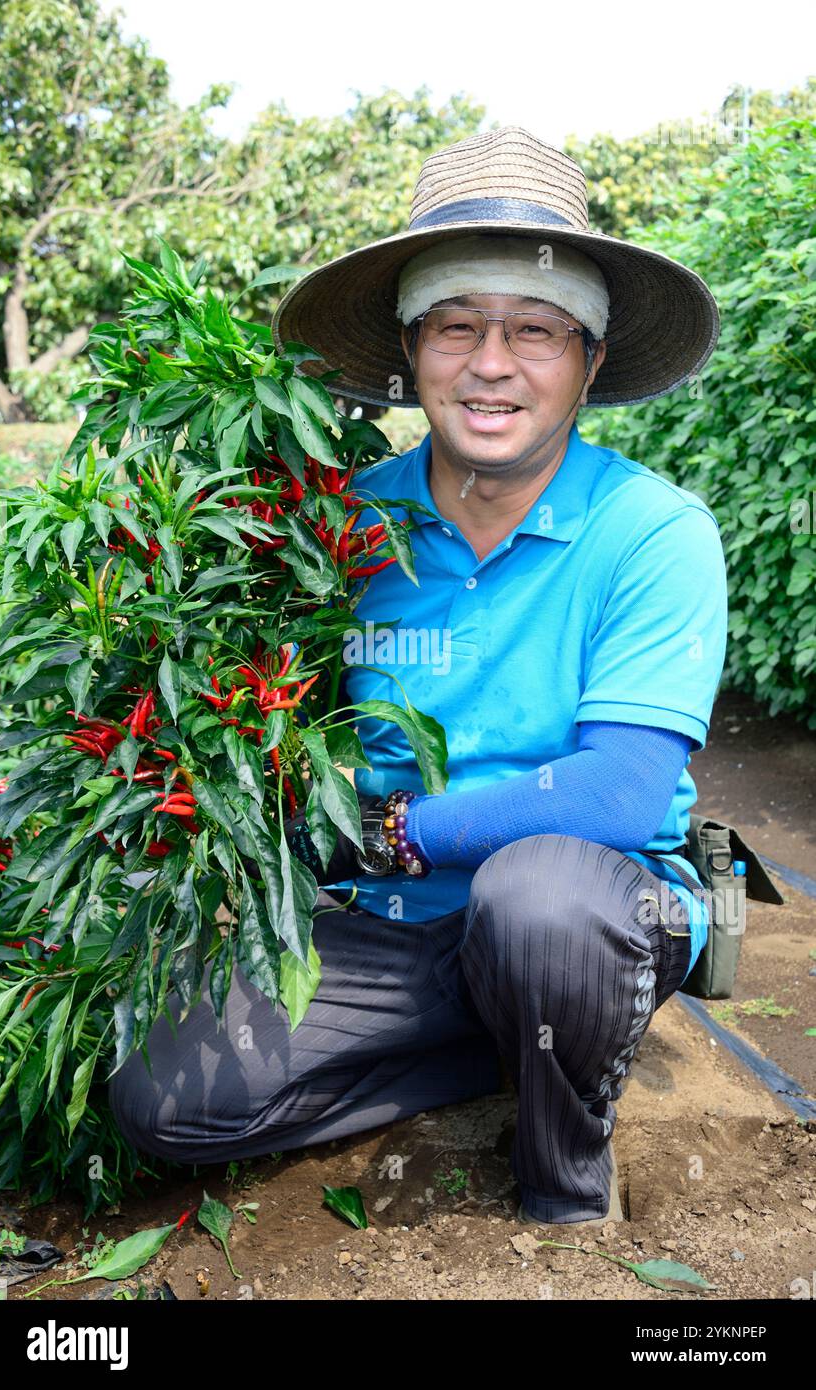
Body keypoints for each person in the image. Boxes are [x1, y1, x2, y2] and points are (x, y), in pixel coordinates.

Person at [108, 126, 727, 1229]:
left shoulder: (648, 532)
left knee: (537, 905)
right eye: (456, 327)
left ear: (587, 360)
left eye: (535, 330)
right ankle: (504, 1043)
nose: (491, 364)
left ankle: (563, 1188)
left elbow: (621, 793)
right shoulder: (340, 524)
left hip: (581, 902)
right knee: (160, 1093)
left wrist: (389, 828)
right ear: (409, 351)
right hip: (389, 927)